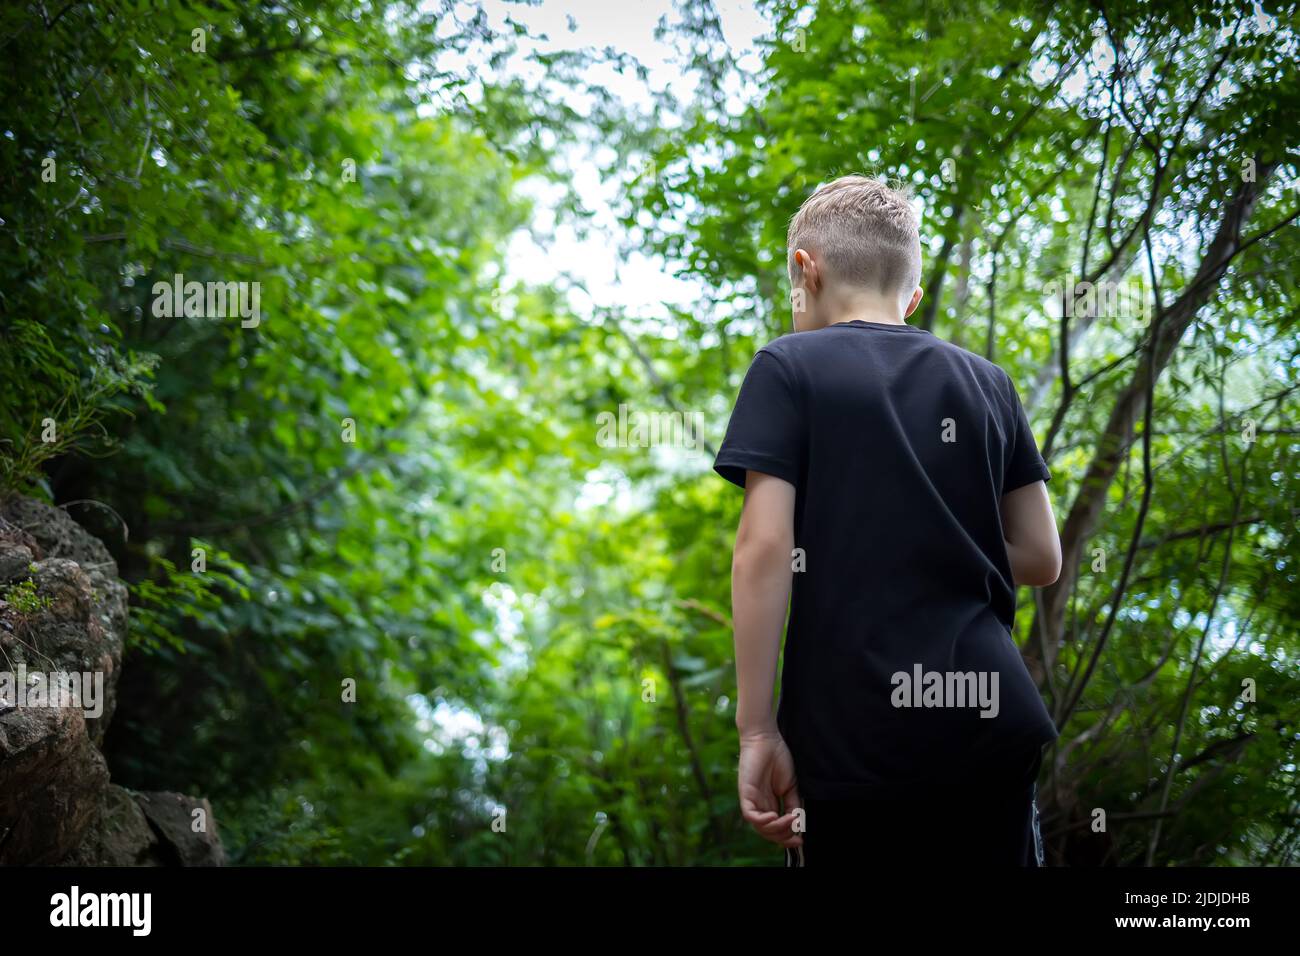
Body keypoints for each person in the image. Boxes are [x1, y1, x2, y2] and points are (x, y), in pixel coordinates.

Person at [715, 175, 1062, 867]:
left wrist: (757, 731)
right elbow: (1040, 556)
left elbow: (763, 550)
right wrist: (933, 535)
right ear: (912, 295)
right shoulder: (987, 380)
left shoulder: (788, 366)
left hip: (855, 737)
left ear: (802, 271)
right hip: (992, 722)